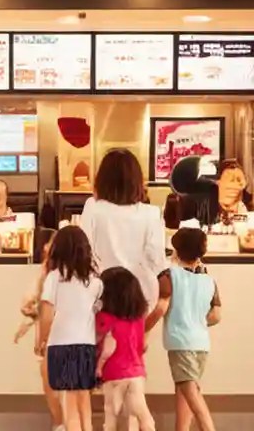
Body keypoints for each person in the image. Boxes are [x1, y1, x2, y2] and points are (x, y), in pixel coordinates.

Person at [148, 227, 221, 431]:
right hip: (201, 345)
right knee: (186, 391)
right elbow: (216, 315)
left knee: (193, 397)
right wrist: (195, 320)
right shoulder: (209, 280)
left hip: (180, 343)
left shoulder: (169, 276)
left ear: (176, 251)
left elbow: (161, 308)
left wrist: (141, 329)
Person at [79, 149, 166, 313]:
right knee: (135, 339)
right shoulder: (152, 213)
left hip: (101, 294)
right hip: (142, 296)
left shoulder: (93, 207)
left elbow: (85, 253)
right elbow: (156, 260)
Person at [35, 226, 101, 431]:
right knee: (84, 400)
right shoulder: (95, 282)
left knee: (69, 401)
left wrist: (42, 340)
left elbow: (47, 311)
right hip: (86, 346)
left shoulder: (55, 277)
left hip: (61, 345)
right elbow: (98, 311)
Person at [96, 267, 157, 431]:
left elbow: (104, 346)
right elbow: (142, 345)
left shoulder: (103, 318)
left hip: (113, 373)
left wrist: (98, 366)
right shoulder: (139, 318)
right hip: (136, 372)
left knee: (111, 414)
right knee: (138, 415)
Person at [16, 233, 65, 431]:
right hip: (70, 341)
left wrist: (40, 337)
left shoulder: (51, 276)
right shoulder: (54, 274)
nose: (45, 246)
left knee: (56, 392)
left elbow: (33, 304)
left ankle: (62, 425)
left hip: (53, 341)